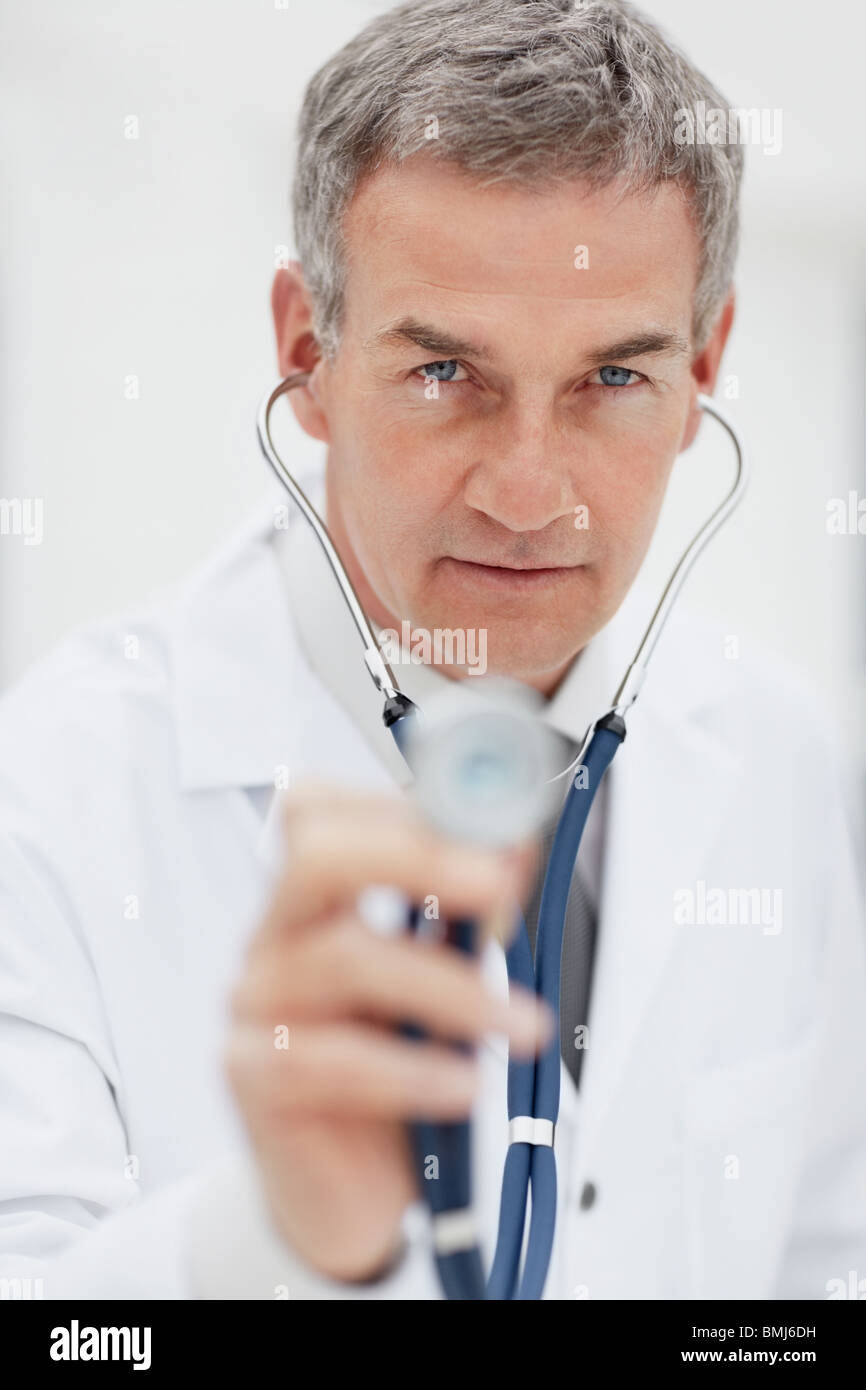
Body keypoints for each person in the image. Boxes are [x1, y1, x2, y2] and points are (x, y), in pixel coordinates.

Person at [1, 0, 864, 1302]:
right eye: (444, 371)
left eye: (613, 379)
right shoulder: (57, 790)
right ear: (306, 352)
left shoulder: (785, 760)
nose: (527, 492)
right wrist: (272, 1232)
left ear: (705, 365)